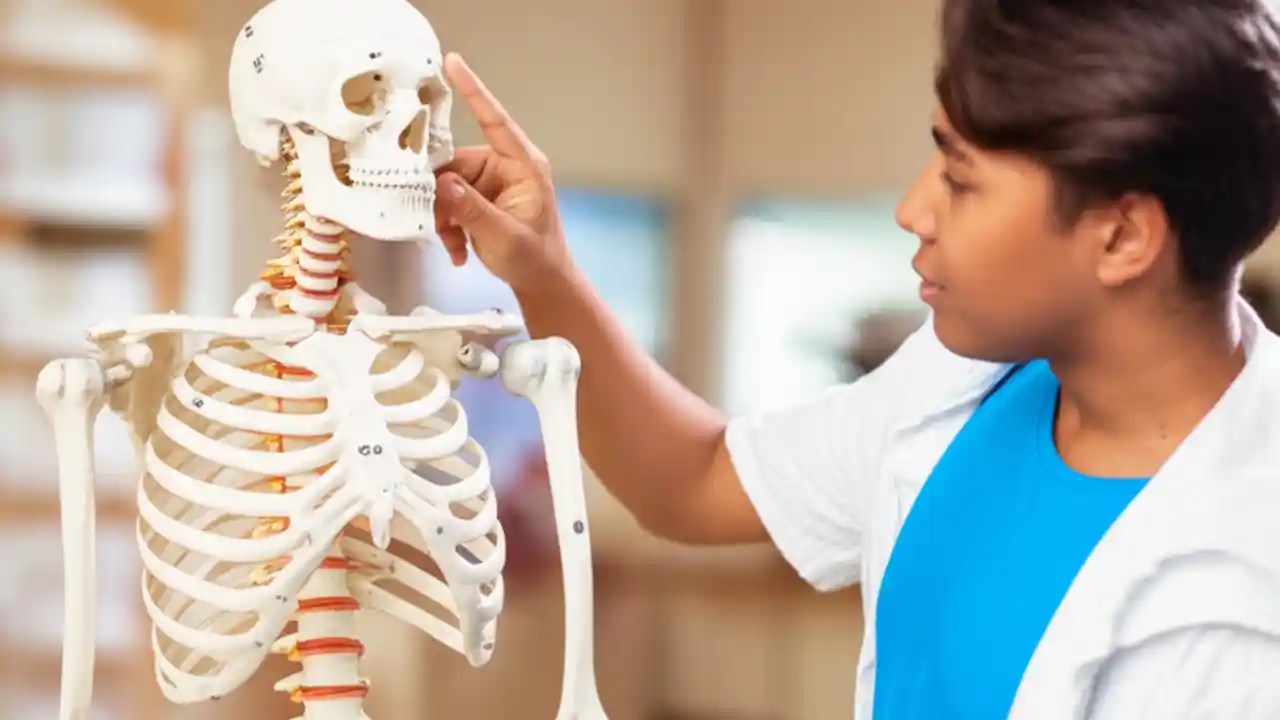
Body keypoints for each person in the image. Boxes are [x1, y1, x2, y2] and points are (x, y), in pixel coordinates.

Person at [430, 1, 1280, 717]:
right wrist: (543, 271)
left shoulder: (1247, 605)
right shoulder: (970, 382)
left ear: (1124, 234)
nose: (914, 209)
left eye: (961, 176)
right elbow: (691, 479)